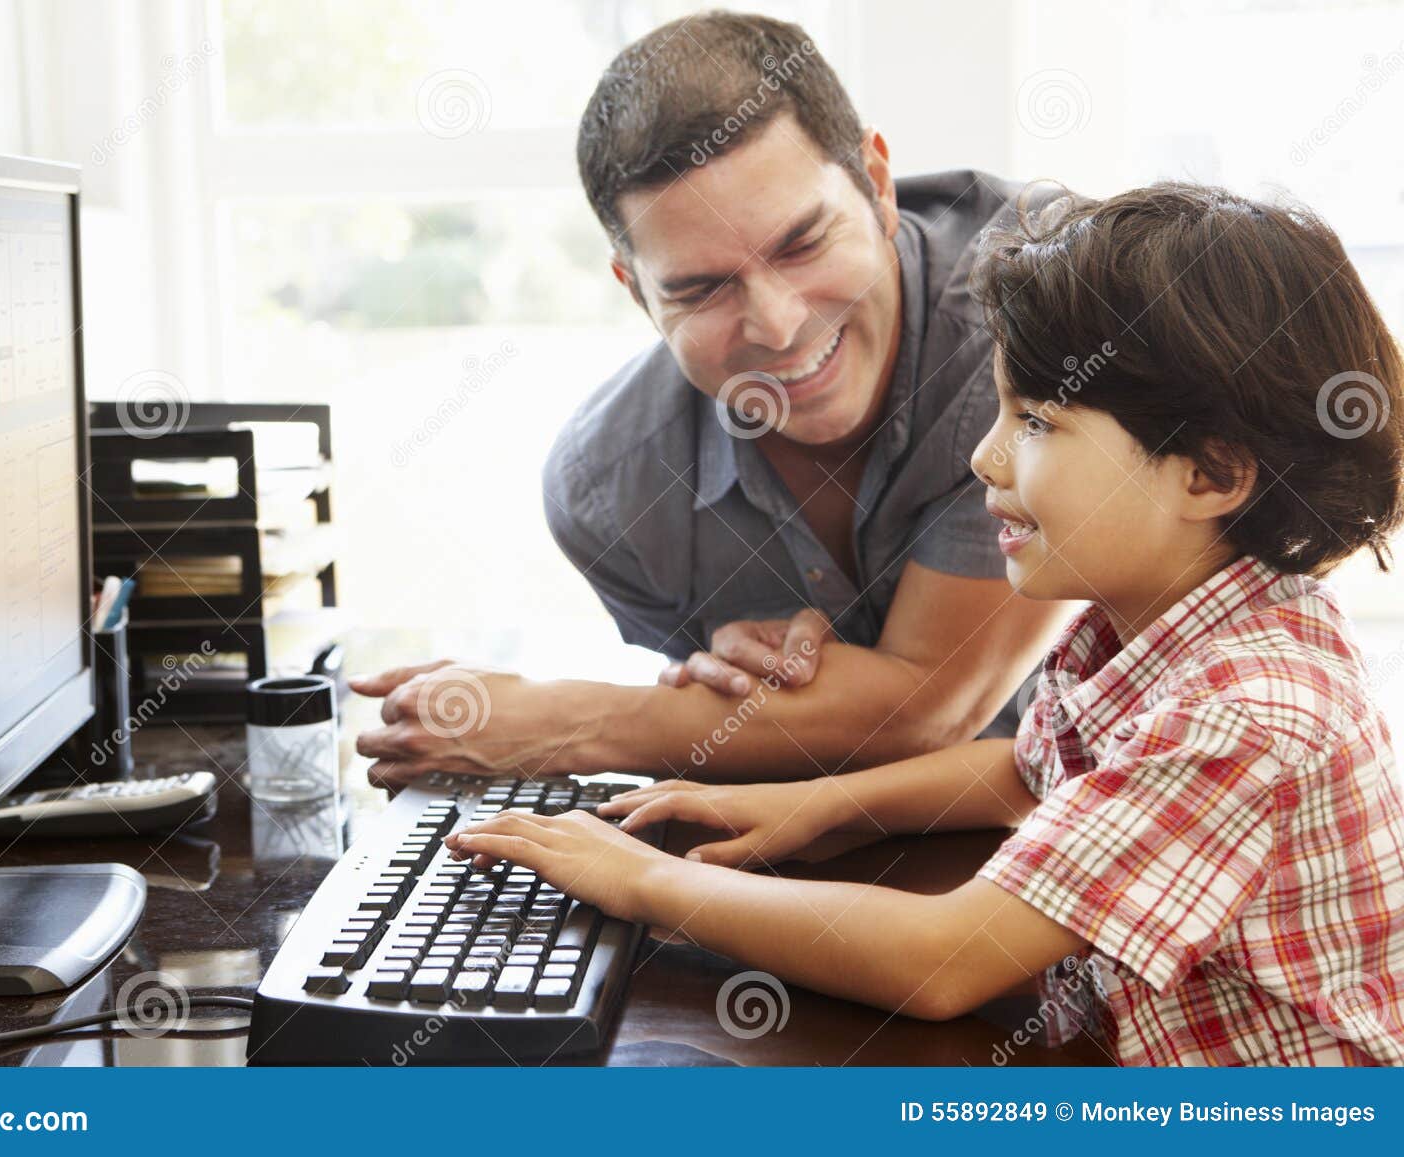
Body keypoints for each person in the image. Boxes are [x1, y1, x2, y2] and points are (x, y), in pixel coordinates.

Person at [446, 183, 1404, 1065]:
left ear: (1211, 475)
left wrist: (644, 885)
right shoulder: (1161, 626)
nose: (987, 457)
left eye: (1036, 423)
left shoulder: (1248, 710)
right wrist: (810, 808)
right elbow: (1031, 765)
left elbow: (942, 960)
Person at [352, 12, 1069, 787]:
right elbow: (746, 745)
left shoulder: (1050, 309)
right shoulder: (608, 492)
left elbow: (928, 708)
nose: (780, 325)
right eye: (701, 288)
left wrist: (561, 721)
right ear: (636, 292)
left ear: (878, 182)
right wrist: (745, 688)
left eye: (802, 244)